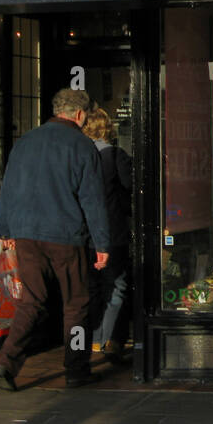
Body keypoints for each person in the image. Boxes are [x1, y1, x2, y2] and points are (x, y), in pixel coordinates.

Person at [0, 87, 111, 390]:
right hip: (66, 236)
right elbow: (93, 201)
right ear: (80, 115)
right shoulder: (82, 146)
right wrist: (102, 244)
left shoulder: (25, 142)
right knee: (77, 303)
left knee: (31, 300)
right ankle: (76, 369)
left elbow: (7, 188)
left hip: (27, 235)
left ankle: (6, 362)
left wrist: (5, 230)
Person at [82, 106, 133, 363]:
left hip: (84, 234)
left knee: (93, 287)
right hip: (112, 232)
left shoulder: (78, 157)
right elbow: (130, 190)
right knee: (117, 286)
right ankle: (108, 339)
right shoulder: (114, 156)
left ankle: (91, 339)